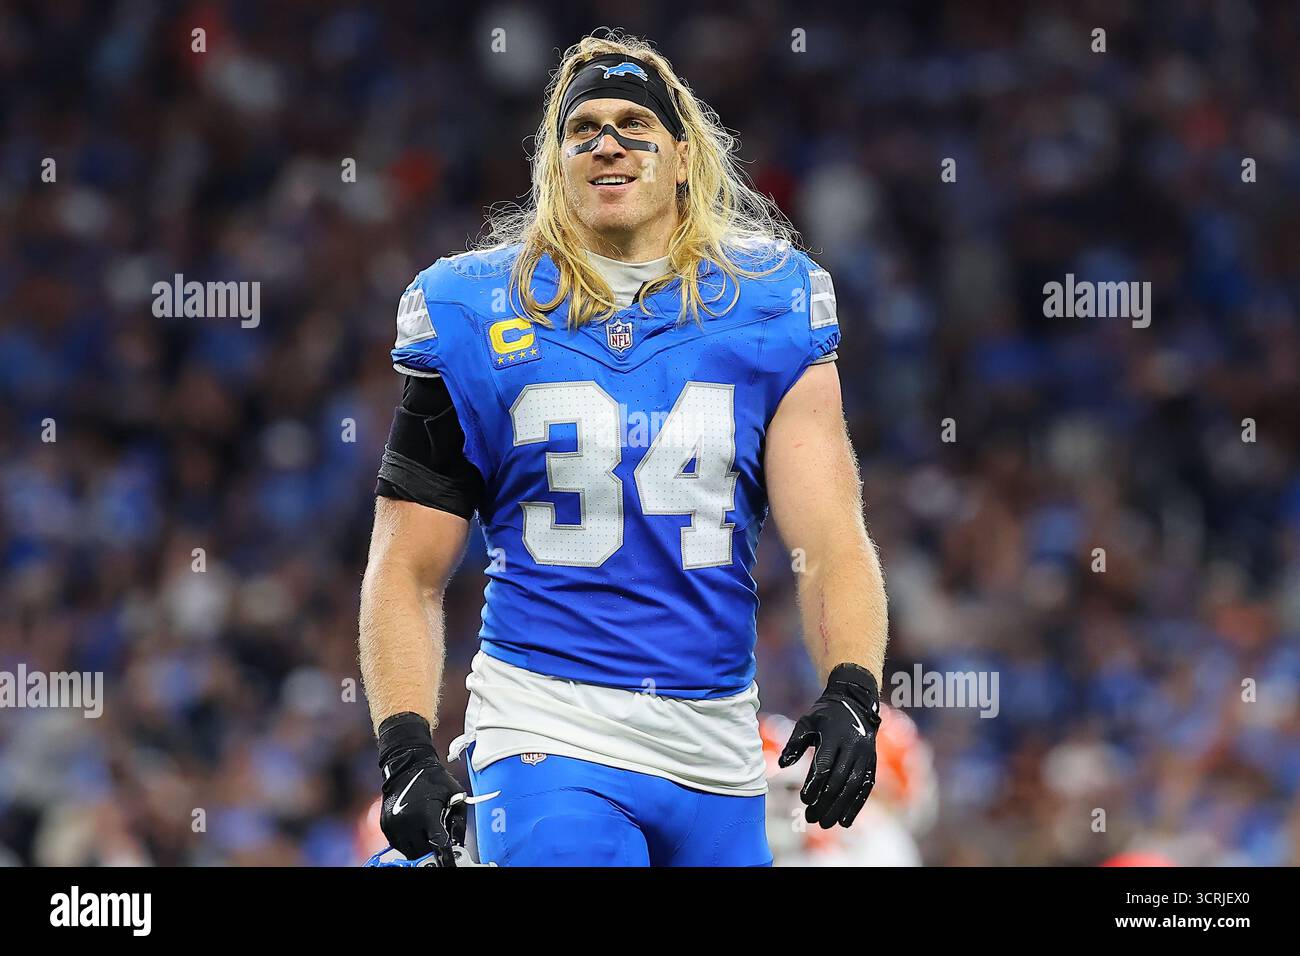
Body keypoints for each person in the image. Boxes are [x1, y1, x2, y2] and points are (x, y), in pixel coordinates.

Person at [358, 31, 889, 866]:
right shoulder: (472, 309)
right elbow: (408, 565)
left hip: (716, 743)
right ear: (555, 164)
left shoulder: (768, 307)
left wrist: (854, 689)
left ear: (683, 157)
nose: (606, 141)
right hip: (546, 721)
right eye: (583, 129)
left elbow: (829, 540)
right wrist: (403, 746)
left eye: (634, 122)